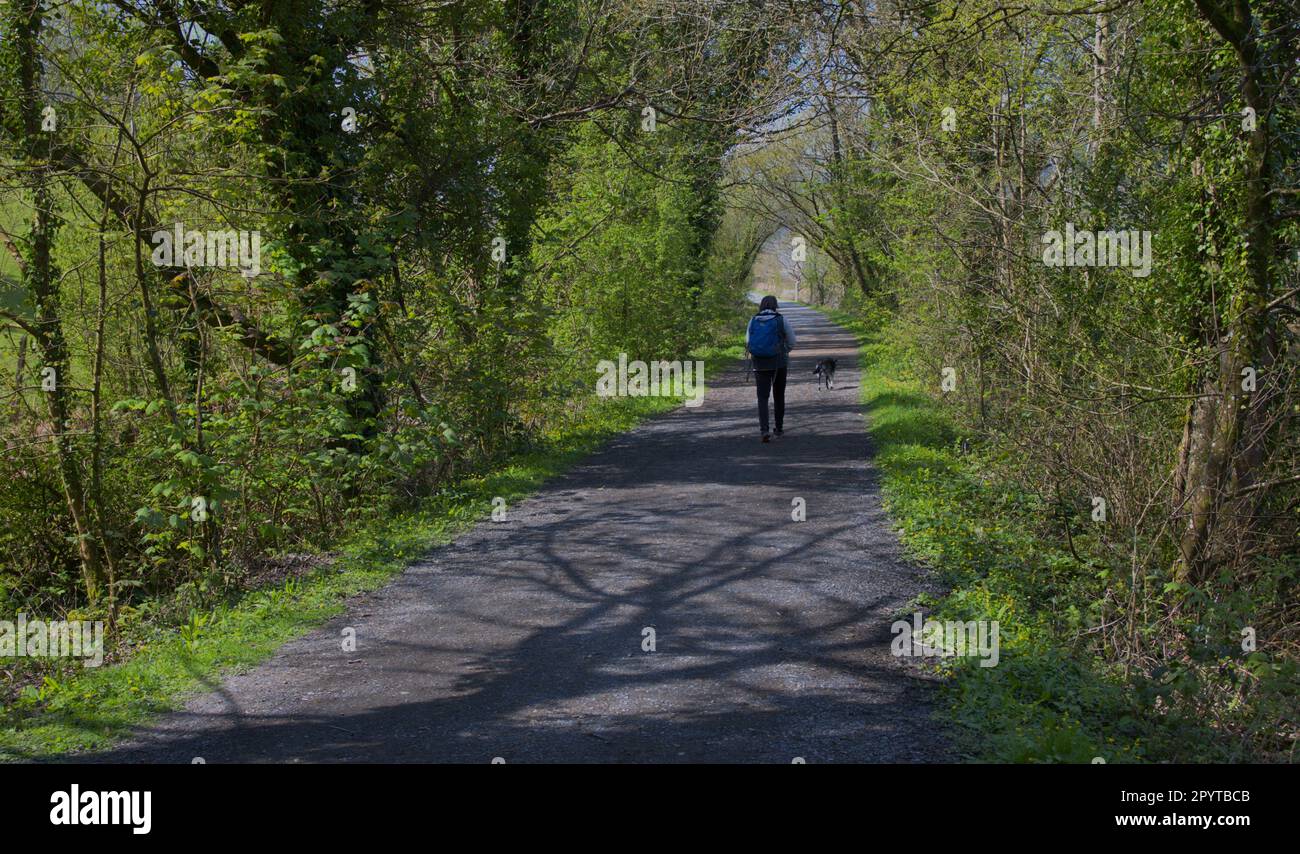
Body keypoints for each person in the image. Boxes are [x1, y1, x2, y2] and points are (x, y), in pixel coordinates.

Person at [745, 295, 796, 442]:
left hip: (759, 363)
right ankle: (779, 429)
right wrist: (784, 350)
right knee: (779, 396)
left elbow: (748, 341)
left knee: (762, 397)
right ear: (775, 305)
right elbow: (792, 341)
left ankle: (764, 430)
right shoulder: (781, 320)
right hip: (778, 363)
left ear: (761, 305)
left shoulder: (753, 320)